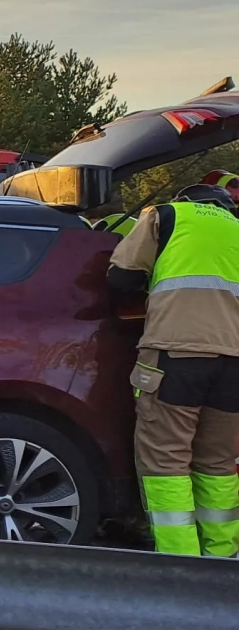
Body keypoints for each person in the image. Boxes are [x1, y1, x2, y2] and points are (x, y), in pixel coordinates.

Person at [107, 183, 239, 557]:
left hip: (175, 354)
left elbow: (122, 277)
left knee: (166, 459)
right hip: (233, 361)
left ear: (186, 200)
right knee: (217, 463)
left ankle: (180, 564)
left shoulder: (165, 215)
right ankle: (222, 558)